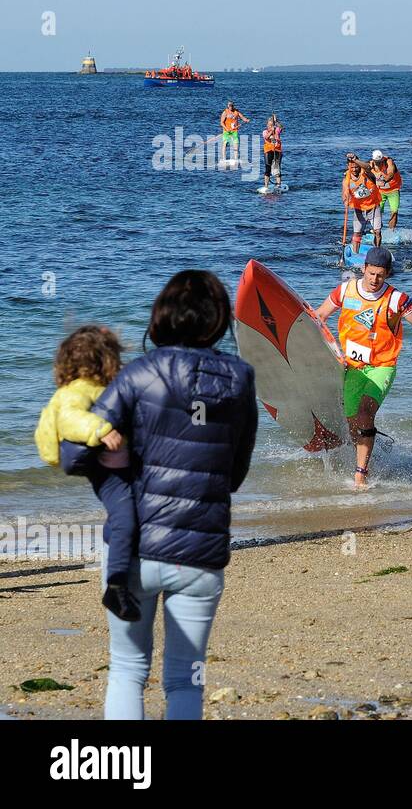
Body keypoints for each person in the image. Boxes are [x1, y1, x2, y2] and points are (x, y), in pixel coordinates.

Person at [62, 271, 258, 719]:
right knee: (185, 677)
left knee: (128, 670)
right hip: (201, 553)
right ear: (220, 319)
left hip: (134, 551)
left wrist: (118, 462)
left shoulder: (139, 374)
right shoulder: (241, 378)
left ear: (161, 317)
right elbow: (235, 475)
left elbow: (73, 454)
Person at [35, 325, 137, 620]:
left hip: (119, 467)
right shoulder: (77, 390)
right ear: (102, 361)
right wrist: (100, 430)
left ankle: (119, 548)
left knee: (125, 517)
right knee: (125, 516)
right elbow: (69, 419)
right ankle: (115, 585)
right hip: (108, 469)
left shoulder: (94, 387)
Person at [312, 247, 412, 489]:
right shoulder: (345, 290)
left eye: (380, 275)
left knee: (366, 413)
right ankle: (370, 453)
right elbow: (319, 317)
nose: (374, 279)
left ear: (387, 274)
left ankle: (360, 475)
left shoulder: (397, 300)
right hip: (352, 367)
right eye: (370, 273)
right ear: (363, 268)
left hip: (382, 366)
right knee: (353, 424)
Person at [342, 153, 383, 254]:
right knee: (357, 233)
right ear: (348, 167)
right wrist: (345, 200)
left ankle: (377, 251)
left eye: (356, 167)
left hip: (373, 206)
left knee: (377, 231)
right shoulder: (346, 180)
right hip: (359, 209)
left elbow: (368, 166)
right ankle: (356, 254)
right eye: (352, 167)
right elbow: (344, 193)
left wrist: (355, 160)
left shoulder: (366, 173)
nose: (355, 169)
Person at [371, 150, 402, 230]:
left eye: (380, 161)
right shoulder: (371, 163)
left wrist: (385, 180)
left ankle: (391, 231)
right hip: (380, 191)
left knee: (394, 211)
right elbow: (361, 169)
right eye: (376, 162)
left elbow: (391, 173)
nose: (378, 163)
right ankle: (377, 230)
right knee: (377, 212)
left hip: (393, 190)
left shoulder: (389, 162)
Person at [219, 101, 248, 165]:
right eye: (229, 106)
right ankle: (224, 159)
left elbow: (242, 117)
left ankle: (236, 159)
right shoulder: (225, 112)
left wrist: (246, 120)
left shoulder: (236, 112)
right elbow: (221, 122)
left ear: (233, 106)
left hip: (234, 131)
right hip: (226, 131)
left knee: (236, 144)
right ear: (228, 106)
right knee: (225, 144)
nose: (230, 107)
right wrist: (226, 129)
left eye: (231, 105)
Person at [261, 114, 283, 190]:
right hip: (268, 151)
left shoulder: (277, 130)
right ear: (267, 125)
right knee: (268, 168)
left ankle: (278, 185)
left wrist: (276, 121)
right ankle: (266, 186)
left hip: (277, 150)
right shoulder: (265, 132)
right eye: (269, 125)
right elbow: (266, 137)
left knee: (277, 168)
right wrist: (271, 131)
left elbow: (281, 127)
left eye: (271, 125)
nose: (270, 126)